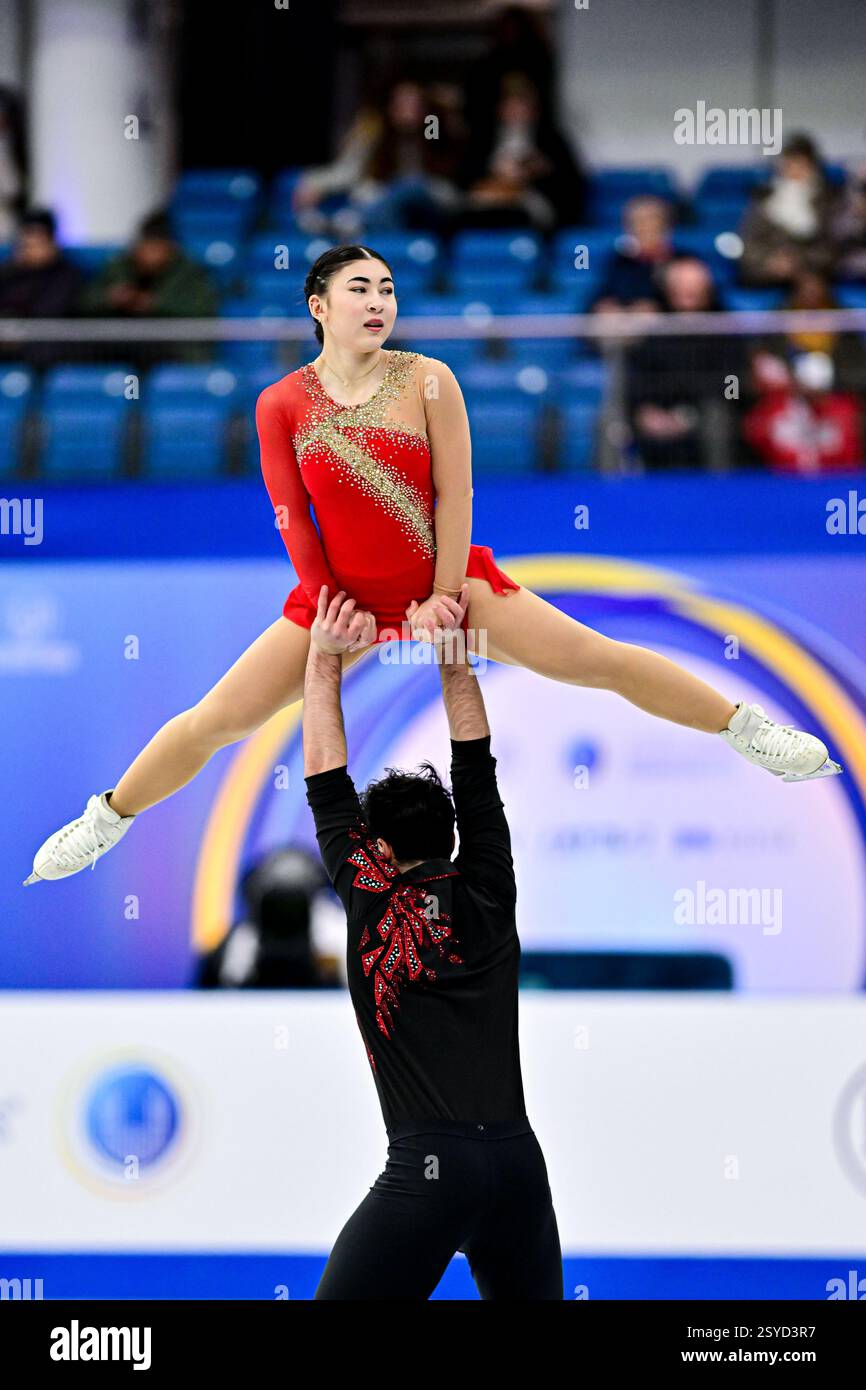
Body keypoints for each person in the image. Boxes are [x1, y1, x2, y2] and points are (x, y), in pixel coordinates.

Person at [22, 244, 842, 886]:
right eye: (361, 290)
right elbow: (289, 512)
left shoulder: (430, 379)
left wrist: (445, 597)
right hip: (337, 598)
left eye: (387, 289)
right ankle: (106, 817)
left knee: (599, 659)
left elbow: (456, 493)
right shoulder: (280, 403)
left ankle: (747, 730)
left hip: (447, 587)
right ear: (319, 307)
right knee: (218, 722)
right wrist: (324, 603)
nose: (380, 302)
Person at [303, 583, 562, 1299]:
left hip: (427, 1171)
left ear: (378, 850)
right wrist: (452, 650)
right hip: (518, 1165)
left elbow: (325, 773)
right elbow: (474, 762)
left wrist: (325, 657)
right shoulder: (488, 884)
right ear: (449, 838)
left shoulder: (370, 894)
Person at [625, 255, 748, 470]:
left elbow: (733, 387)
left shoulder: (724, 329)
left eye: (695, 285)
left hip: (706, 416)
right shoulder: (653, 331)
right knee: (615, 416)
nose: (688, 292)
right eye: (681, 285)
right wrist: (646, 409)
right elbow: (638, 379)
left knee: (717, 416)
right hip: (658, 416)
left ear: (707, 288)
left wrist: (685, 416)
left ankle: (721, 489)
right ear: (668, 289)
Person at [77, 208, 218, 364]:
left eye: (156, 247)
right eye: (146, 246)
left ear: (170, 248)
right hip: (119, 342)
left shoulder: (188, 272)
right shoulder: (119, 266)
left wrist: (154, 304)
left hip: (171, 345)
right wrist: (112, 298)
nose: (150, 254)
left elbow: (203, 309)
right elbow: (83, 302)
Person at [738, 132, 842, 287]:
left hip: (815, 276)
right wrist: (770, 262)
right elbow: (748, 244)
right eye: (788, 163)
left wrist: (798, 262)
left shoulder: (829, 200)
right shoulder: (764, 200)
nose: (793, 170)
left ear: (813, 165)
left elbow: (834, 246)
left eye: (800, 163)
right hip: (766, 275)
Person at [0, 208, 85, 367]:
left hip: (44, 349)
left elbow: (50, 311)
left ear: (52, 243)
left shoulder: (67, 275)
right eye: (25, 244)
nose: (29, 250)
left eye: (36, 243)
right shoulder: (8, 273)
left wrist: (19, 331)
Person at [592, 196, 675, 314]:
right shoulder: (618, 262)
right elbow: (599, 299)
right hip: (622, 324)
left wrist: (657, 307)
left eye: (652, 220)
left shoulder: (680, 261)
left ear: (666, 226)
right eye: (638, 222)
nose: (645, 227)